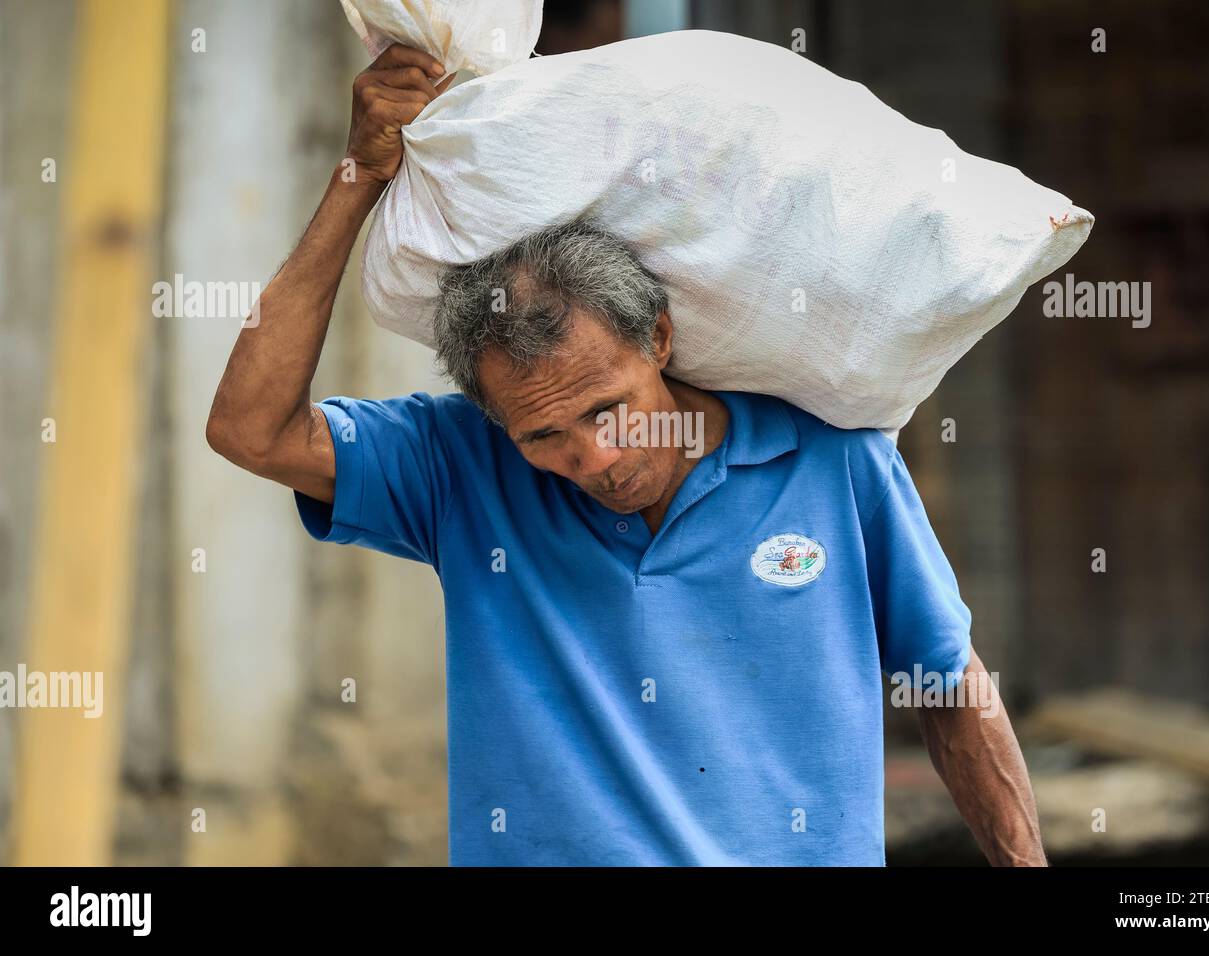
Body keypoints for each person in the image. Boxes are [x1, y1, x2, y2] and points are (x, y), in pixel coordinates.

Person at [206, 44, 1047, 866]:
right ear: (492, 417)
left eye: (610, 410)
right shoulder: (458, 467)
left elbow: (949, 687)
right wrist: (358, 177)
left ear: (660, 339)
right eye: (544, 436)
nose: (597, 458)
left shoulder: (831, 462)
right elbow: (252, 429)